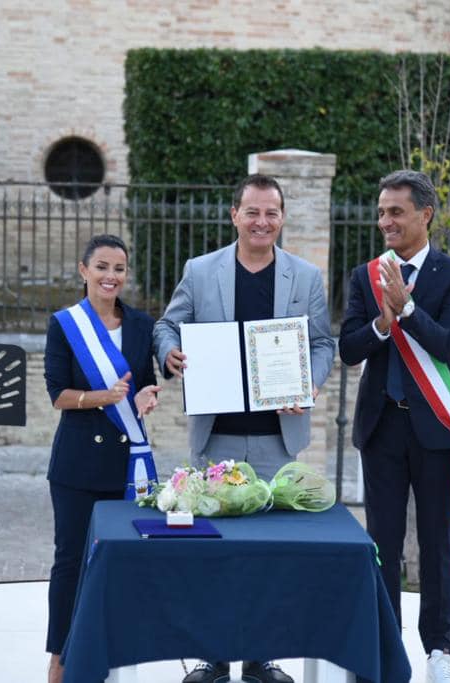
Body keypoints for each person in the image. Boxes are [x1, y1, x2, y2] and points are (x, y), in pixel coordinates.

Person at [153, 173, 336, 683]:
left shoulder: (305, 277)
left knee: (271, 552)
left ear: (281, 218)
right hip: (217, 437)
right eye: (252, 212)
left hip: (279, 437)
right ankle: (214, 658)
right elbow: (168, 325)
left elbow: (322, 344)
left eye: (271, 213)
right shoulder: (201, 270)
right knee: (215, 550)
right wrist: (167, 352)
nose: (262, 222)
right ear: (234, 215)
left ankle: (263, 657)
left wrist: (310, 385)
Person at [339, 170, 450, 683]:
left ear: (426, 214)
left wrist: (408, 308)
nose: (385, 221)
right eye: (381, 211)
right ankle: (381, 644)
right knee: (383, 541)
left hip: (435, 430)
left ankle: (439, 649)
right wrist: (381, 321)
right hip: (381, 427)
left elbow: (448, 344)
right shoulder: (366, 274)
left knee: (438, 542)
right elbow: (349, 349)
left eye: (396, 211)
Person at [43, 234, 162, 683]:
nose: (111, 276)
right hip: (77, 466)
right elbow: (57, 395)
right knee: (70, 562)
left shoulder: (141, 325)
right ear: (84, 270)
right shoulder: (65, 324)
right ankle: (60, 655)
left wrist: (148, 396)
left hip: (124, 464)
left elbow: (145, 382)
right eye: (103, 267)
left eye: (119, 269)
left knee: (117, 561)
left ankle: (109, 649)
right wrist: (102, 397)